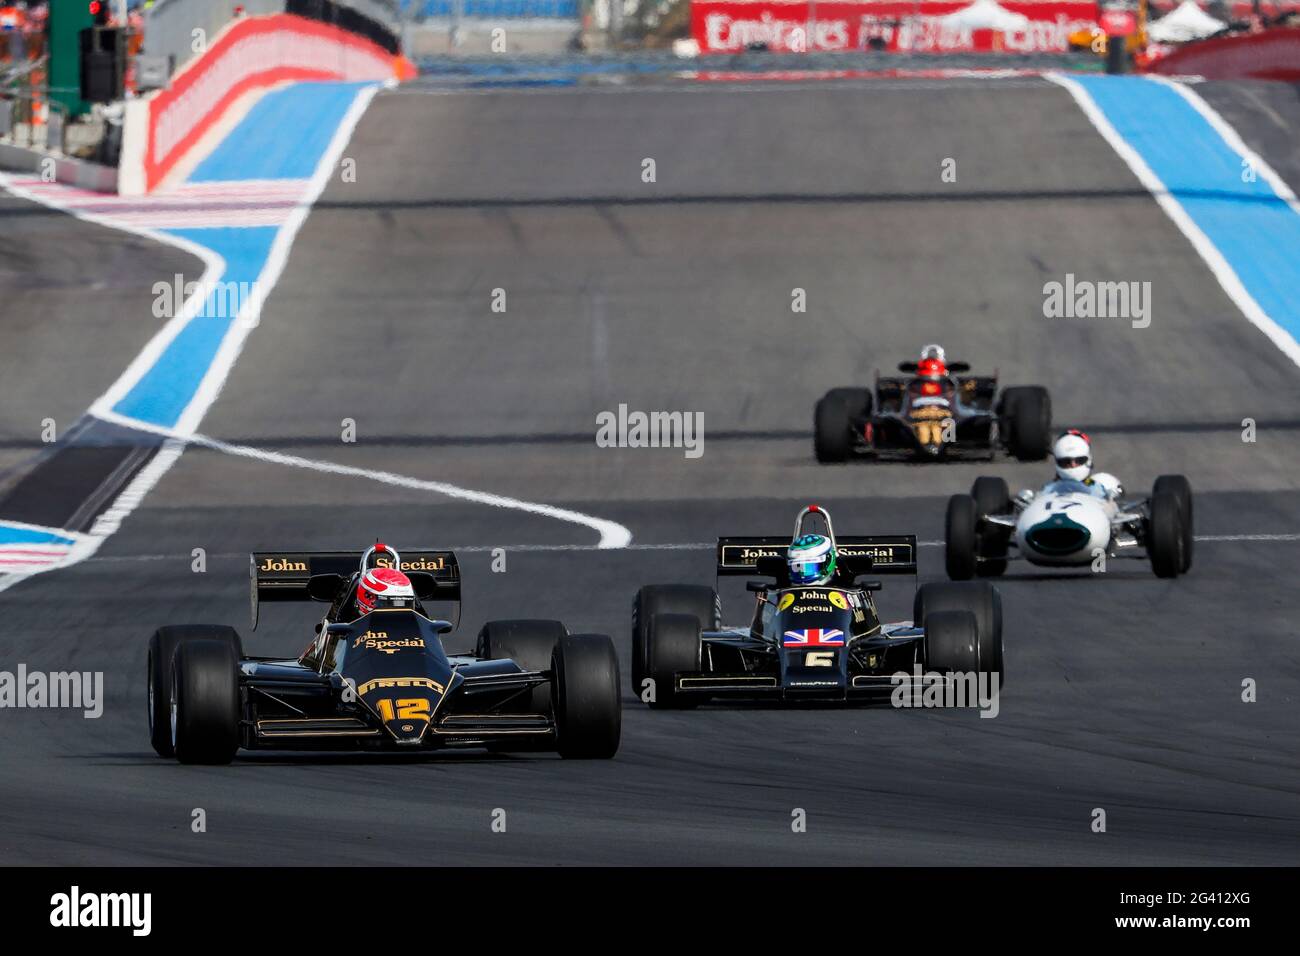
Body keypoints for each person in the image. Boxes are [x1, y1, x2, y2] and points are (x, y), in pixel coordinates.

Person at [1051, 429, 1121, 499]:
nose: (1073, 465)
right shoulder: (1050, 488)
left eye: (1079, 460)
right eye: (1066, 461)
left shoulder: (1094, 484)